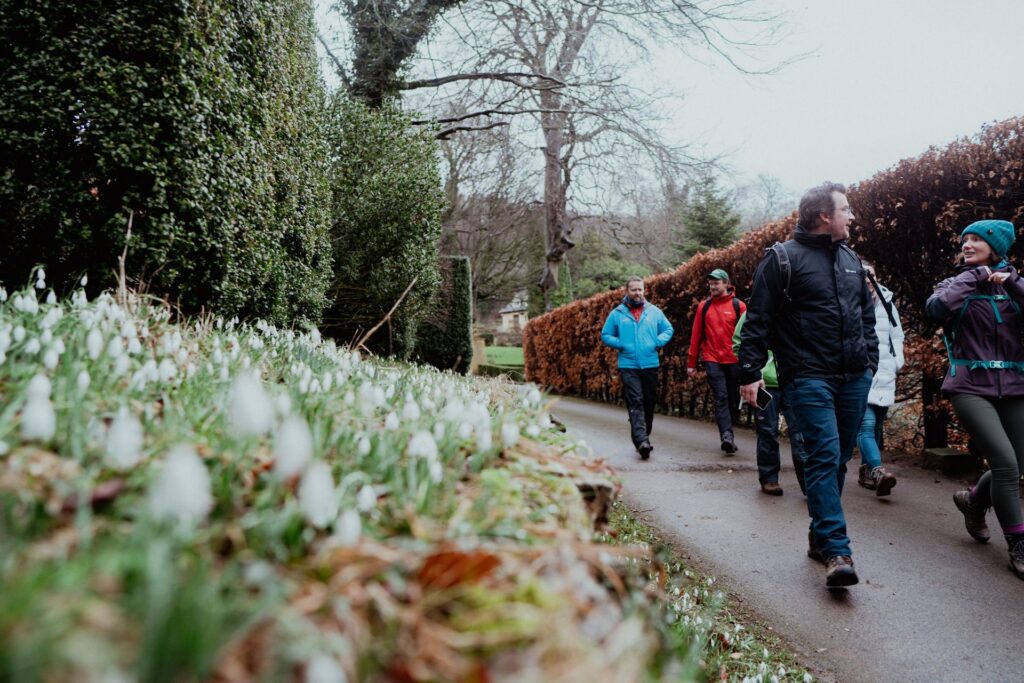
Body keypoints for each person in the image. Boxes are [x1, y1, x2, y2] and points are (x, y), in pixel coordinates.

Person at [738, 182, 878, 588]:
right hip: (807, 377)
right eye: (846, 210)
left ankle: (820, 537)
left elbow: (865, 318)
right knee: (822, 455)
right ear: (824, 217)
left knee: (837, 461)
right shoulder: (782, 260)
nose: (851, 217)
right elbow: (757, 322)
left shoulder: (852, 260)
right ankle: (838, 551)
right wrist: (749, 372)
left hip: (853, 377)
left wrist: (870, 362)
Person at [925, 219, 1024, 580]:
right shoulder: (954, 283)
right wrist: (976, 277)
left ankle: (973, 501)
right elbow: (936, 309)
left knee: (1016, 463)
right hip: (969, 386)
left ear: (995, 246)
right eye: (964, 239)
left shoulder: (1013, 285)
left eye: (976, 239)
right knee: (1006, 464)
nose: (966, 244)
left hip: (1014, 385)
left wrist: (1010, 281)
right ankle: (1018, 543)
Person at [733, 312, 807, 496]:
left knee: (801, 433)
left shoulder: (796, 306)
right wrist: (754, 372)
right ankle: (769, 478)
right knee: (767, 431)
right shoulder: (754, 311)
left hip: (793, 380)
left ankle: (809, 482)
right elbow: (738, 344)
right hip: (765, 386)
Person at [601, 276, 675, 460]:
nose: (637, 293)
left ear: (644, 291)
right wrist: (622, 344)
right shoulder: (618, 313)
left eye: (640, 289)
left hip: (650, 363)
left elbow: (668, 329)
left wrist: (657, 342)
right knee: (636, 401)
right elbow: (605, 334)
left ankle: (644, 437)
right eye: (633, 290)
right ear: (627, 291)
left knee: (649, 403)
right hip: (628, 365)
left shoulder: (654, 311)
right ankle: (641, 441)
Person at [855, 263, 905, 496]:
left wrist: (897, 361)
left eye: (871, 274)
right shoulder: (848, 299)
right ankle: (877, 470)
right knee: (864, 425)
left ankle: (866, 472)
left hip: (884, 371)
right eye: (862, 274)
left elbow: (897, 334)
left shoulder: (887, 302)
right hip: (859, 371)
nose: (866, 279)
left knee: (875, 425)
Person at [687, 269, 746, 454]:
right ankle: (726, 436)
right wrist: (691, 363)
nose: (712, 286)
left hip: (734, 360)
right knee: (720, 397)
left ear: (726, 284)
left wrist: (750, 361)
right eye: (711, 283)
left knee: (732, 397)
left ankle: (731, 429)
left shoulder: (739, 306)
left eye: (716, 283)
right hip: (712, 359)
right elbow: (696, 335)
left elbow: (748, 335)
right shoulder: (704, 307)